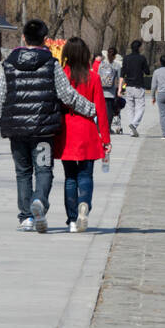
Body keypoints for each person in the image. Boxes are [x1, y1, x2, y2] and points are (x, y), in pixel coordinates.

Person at [0, 19, 98, 233]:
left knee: (23, 172)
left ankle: (27, 217)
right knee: (44, 170)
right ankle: (39, 201)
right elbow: (67, 95)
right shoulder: (51, 63)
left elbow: (0, 96)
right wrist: (91, 109)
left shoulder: (9, 63)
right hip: (44, 130)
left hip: (16, 130)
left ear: (23, 38)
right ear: (45, 40)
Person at [56, 37, 112, 232]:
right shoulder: (93, 77)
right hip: (87, 130)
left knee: (70, 176)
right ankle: (84, 204)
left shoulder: (62, 75)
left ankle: (72, 220)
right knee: (86, 174)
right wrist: (106, 139)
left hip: (67, 130)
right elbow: (101, 111)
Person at [120, 40, 150, 137]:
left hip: (128, 86)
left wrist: (120, 88)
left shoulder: (126, 58)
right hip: (139, 86)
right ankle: (134, 124)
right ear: (139, 48)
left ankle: (132, 131)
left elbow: (122, 73)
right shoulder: (142, 58)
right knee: (140, 107)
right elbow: (147, 72)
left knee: (130, 108)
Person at [97, 47, 121, 135]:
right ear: (115, 56)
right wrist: (118, 90)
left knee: (100, 110)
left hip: (101, 91)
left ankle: (99, 127)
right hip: (111, 92)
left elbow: (97, 76)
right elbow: (118, 79)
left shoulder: (102, 64)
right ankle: (107, 128)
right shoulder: (117, 65)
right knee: (109, 111)